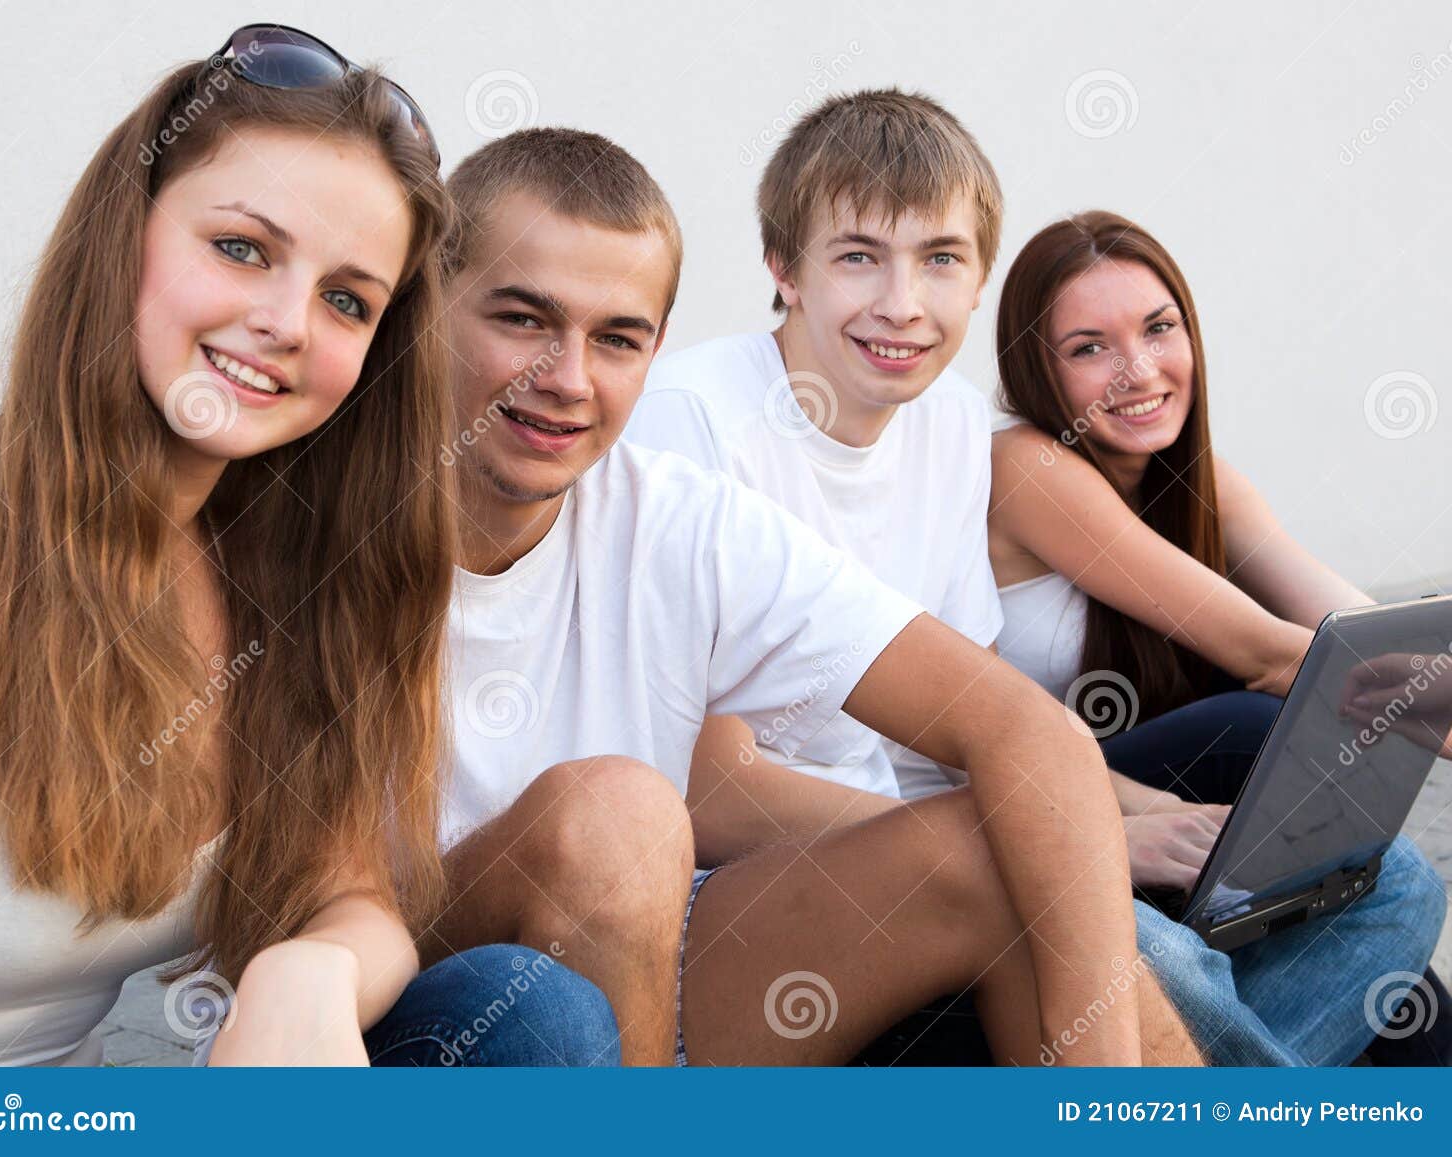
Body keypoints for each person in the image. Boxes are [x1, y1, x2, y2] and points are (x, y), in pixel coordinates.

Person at [624, 90, 1444, 1065]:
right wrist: (1080, 840)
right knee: (1102, 917)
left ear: (978, 281)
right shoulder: (695, 423)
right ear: (781, 268)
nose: (902, 303)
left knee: (1390, 876)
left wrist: (1135, 811)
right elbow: (706, 793)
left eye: (938, 258)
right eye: (857, 256)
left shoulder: (952, 434)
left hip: (935, 842)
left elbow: (987, 734)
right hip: (749, 904)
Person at [0, 24, 616, 1069]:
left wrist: (313, 968)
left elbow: (354, 896)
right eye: (243, 248)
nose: (288, 321)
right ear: (127, 236)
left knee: (529, 1009)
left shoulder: (280, 573)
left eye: (346, 299)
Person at [425, 125, 1204, 1067]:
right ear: (428, 300)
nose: (568, 379)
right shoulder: (323, 509)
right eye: (521, 319)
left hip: (668, 948)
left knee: (1019, 857)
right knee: (614, 827)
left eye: (618, 337)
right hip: (420, 981)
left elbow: (1023, 732)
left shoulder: (679, 515)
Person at [988, 208, 1447, 1063]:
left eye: (1159, 329)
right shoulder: (1026, 466)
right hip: (1044, 810)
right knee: (1251, 722)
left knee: (1410, 1002)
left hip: (1172, 821)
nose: (1138, 370)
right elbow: (1271, 653)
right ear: (1035, 370)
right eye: (1090, 348)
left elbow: (1348, 620)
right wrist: (1420, 690)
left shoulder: (1205, 484)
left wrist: (1434, 675)